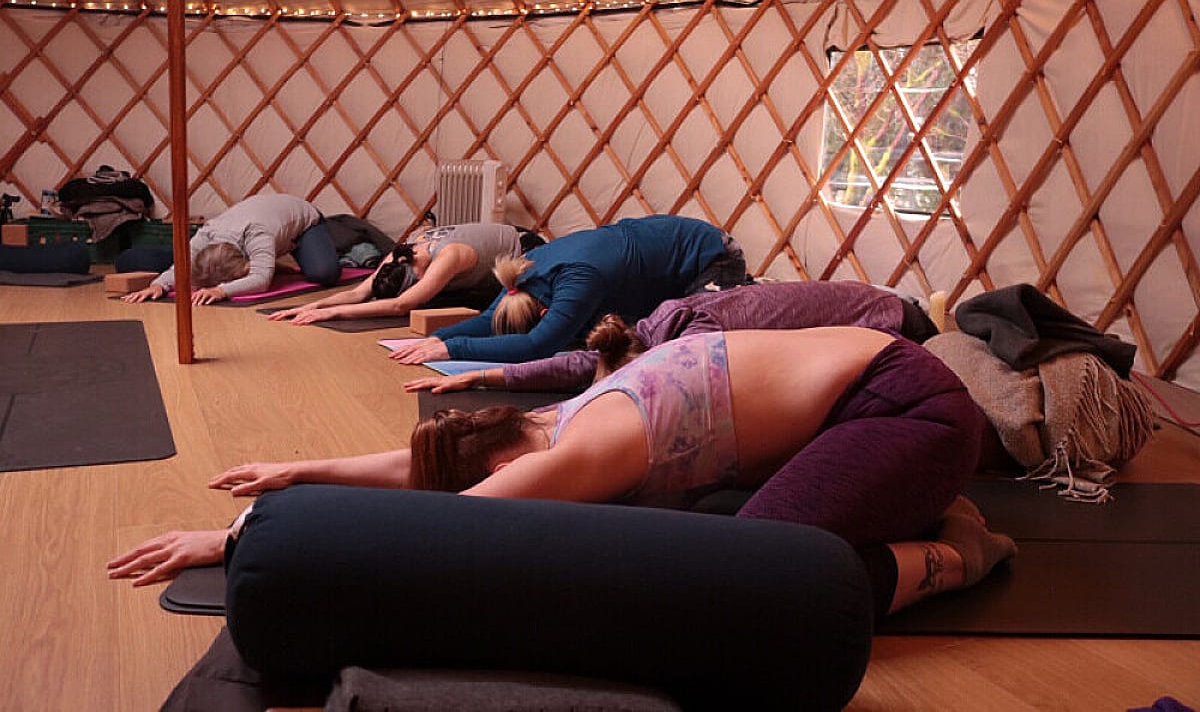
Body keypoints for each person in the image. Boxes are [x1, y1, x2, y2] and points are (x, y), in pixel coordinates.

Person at [108, 326, 1016, 619]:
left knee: (756, 582)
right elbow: (422, 472)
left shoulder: (584, 448)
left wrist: (234, 540)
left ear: (510, 466)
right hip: (872, 397)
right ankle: (911, 495)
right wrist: (299, 470)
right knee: (730, 518)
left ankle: (958, 552)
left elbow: (441, 526)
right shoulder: (547, 419)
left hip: (912, 412)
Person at [404, 280, 940, 395]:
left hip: (889, 322)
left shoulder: (696, 345)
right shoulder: (650, 326)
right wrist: (483, 376)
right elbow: (580, 365)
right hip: (874, 297)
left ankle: (946, 325)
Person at [384, 214, 749, 365]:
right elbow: (487, 319)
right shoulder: (521, 274)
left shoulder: (578, 280)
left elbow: (537, 345)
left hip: (711, 255)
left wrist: (452, 349)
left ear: (544, 311)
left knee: (688, 345)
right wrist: (442, 338)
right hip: (653, 255)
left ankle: (746, 293)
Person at [265, 223, 544, 325]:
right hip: (480, 271)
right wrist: (313, 305)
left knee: (429, 303)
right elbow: (360, 292)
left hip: (525, 250)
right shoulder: (400, 255)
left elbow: (401, 305)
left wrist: (336, 314)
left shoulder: (448, 256)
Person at [119, 193, 339, 305]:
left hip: (303, 220)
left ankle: (281, 257)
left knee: (324, 272)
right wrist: (159, 285)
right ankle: (270, 262)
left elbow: (261, 281)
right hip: (262, 222)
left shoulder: (258, 234)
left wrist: (221, 290)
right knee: (133, 259)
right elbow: (183, 265)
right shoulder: (207, 233)